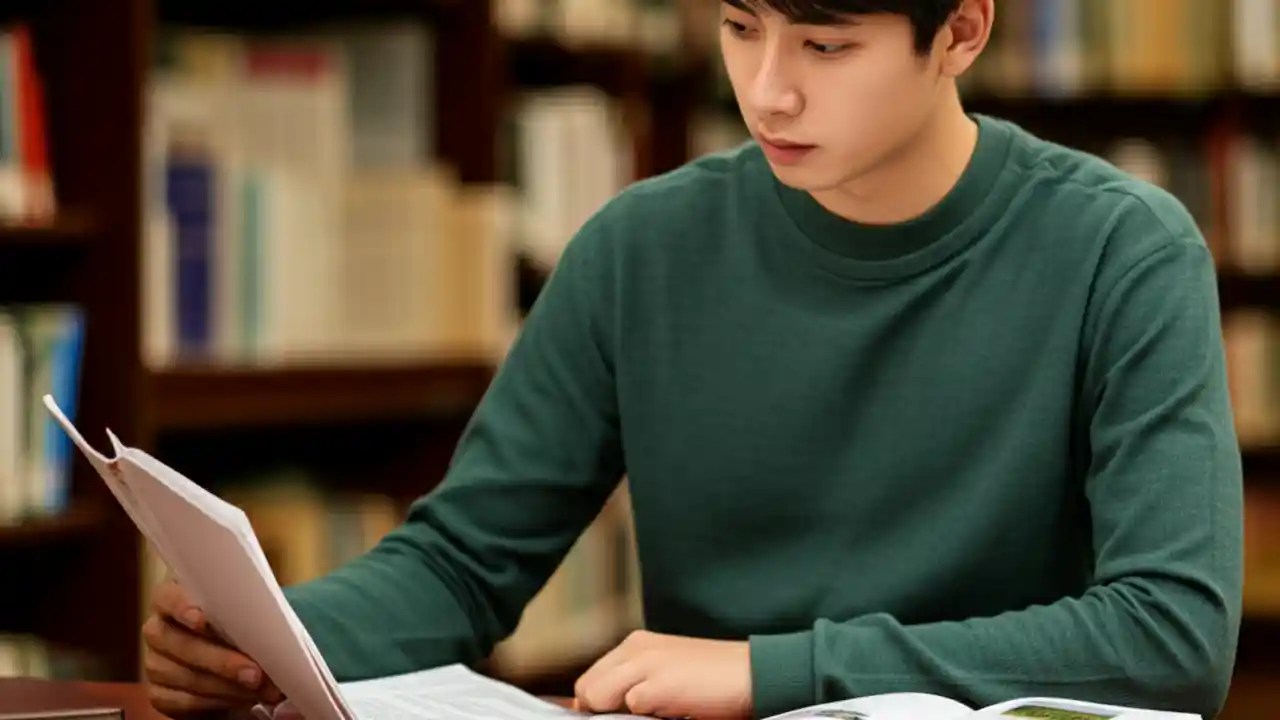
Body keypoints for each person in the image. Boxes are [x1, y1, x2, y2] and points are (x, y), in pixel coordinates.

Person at [139, 0, 1244, 718]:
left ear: (958, 32)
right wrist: (268, 639)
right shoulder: (641, 248)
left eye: (823, 44)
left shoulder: (1119, 251)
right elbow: (463, 563)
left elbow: (1170, 635)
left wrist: (772, 672)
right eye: (736, 25)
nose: (765, 90)